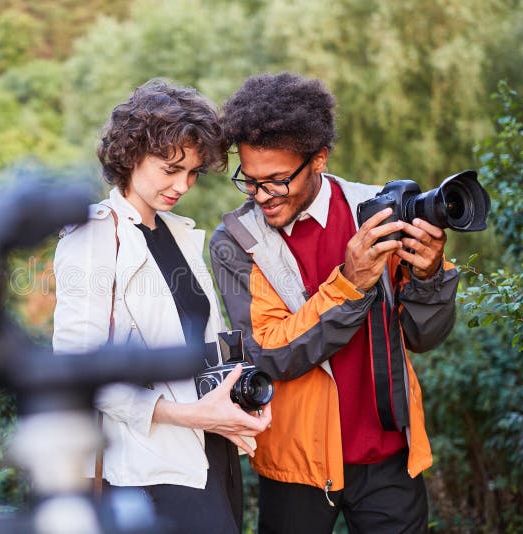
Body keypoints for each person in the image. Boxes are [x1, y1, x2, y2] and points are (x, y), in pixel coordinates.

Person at [209, 72, 459, 533]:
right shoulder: (234, 242)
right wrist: (351, 283)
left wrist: (428, 277)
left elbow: (425, 336)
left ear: (319, 158)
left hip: (388, 455)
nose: (262, 196)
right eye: (250, 180)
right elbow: (270, 354)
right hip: (295, 462)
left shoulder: (380, 211)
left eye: (278, 181)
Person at [52, 79, 271, 534]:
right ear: (131, 154)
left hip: (210, 448)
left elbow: (200, 347)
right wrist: (191, 414)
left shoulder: (179, 233)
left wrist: (232, 411)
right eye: (170, 168)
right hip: (148, 468)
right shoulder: (93, 235)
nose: (182, 185)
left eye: (192, 172)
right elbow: (80, 368)